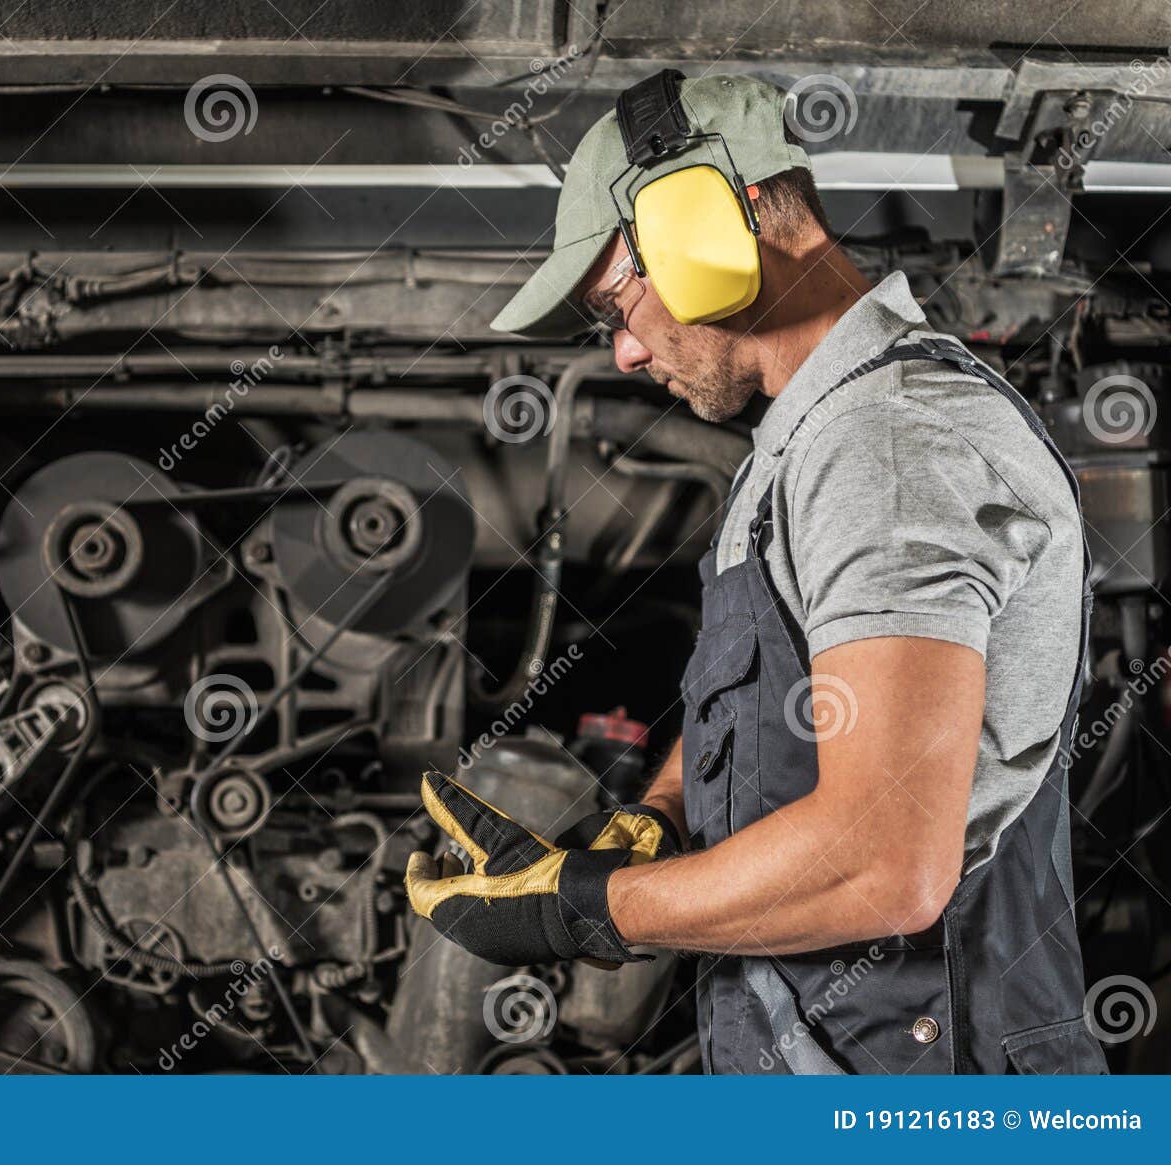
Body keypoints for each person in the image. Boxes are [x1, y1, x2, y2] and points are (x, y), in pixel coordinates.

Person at [405, 70, 1106, 1074]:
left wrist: (586, 909)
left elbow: (883, 862)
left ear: (710, 227)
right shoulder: (808, 443)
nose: (623, 355)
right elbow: (792, 709)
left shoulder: (888, 443)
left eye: (615, 300)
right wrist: (658, 820)